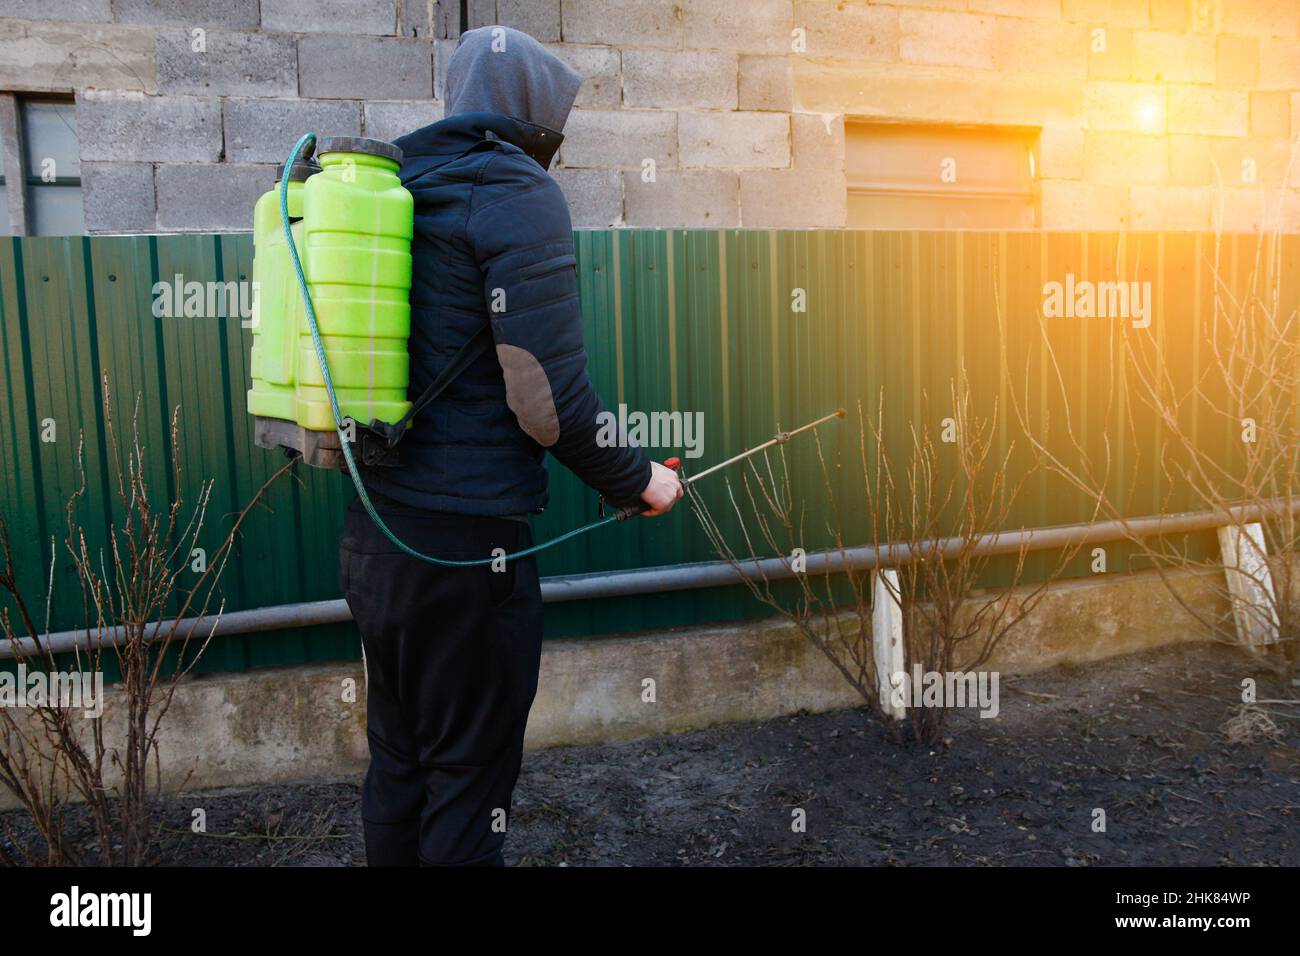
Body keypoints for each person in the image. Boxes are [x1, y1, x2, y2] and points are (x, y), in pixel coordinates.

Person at [338, 25, 683, 866]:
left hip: (375, 534)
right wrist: (640, 478)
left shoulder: (399, 185)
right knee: (468, 775)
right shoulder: (513, 188)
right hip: (466, 553)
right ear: (533, 108)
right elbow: (545, 400)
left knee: (400, 760)